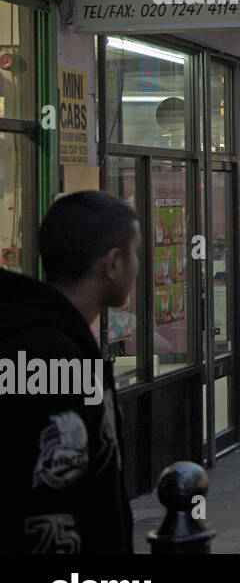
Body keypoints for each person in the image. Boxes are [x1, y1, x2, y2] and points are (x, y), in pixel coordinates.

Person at [1, 191, 138, 553]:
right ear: (113, 264)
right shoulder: (56, 362)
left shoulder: (45, 343)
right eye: (135, 253)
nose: (138, 265)